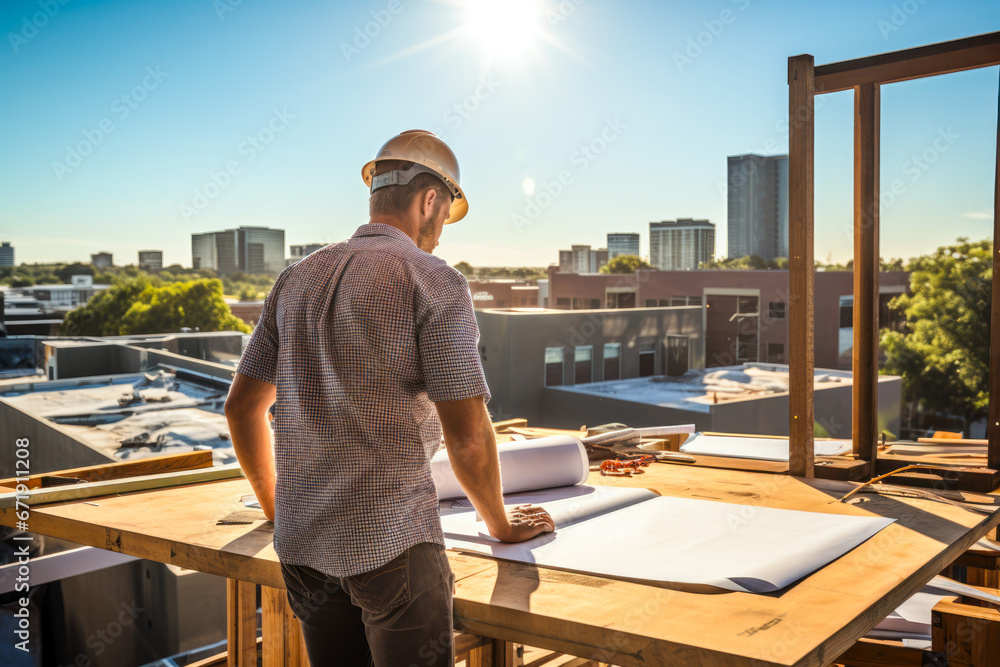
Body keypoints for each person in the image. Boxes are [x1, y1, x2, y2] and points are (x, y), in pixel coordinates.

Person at [224, 129, 554, 666]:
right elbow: (468, 436)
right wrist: (500, 525)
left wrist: (275, 507)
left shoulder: (295, 279)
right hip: (392, 543)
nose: (442, 234)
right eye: (445, 215)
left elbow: (241, 409)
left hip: (303, 548)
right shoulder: (433, 281)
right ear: (429, 201)